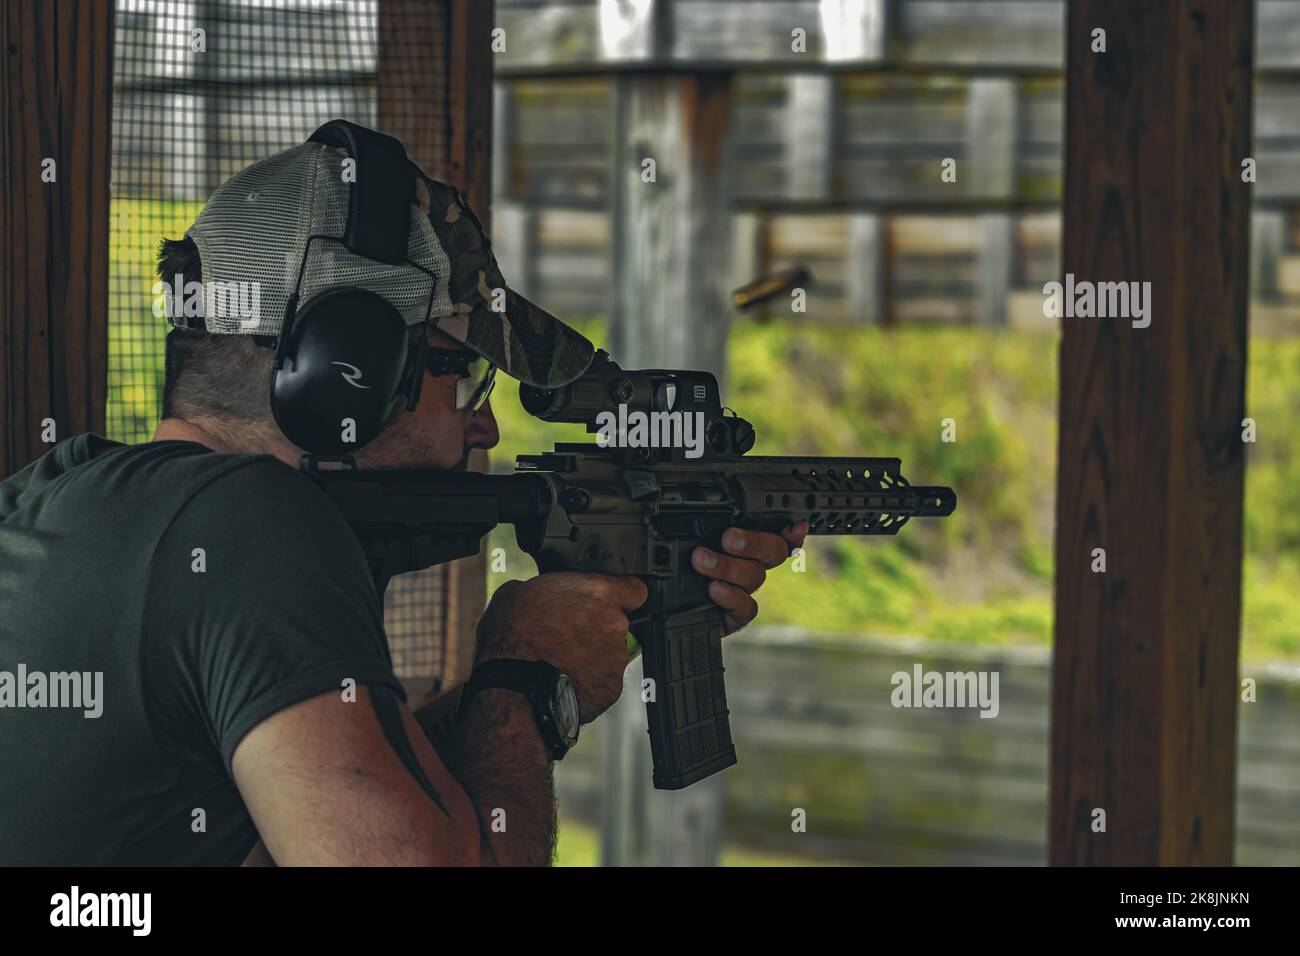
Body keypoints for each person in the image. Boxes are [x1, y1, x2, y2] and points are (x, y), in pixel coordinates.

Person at [0, 123, 806, 866]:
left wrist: (548, 665)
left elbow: (316, 821)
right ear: (344, 374)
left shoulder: (60, 499)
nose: (486, 426)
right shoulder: (252, 522)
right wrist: (523, 681)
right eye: (466, 378)